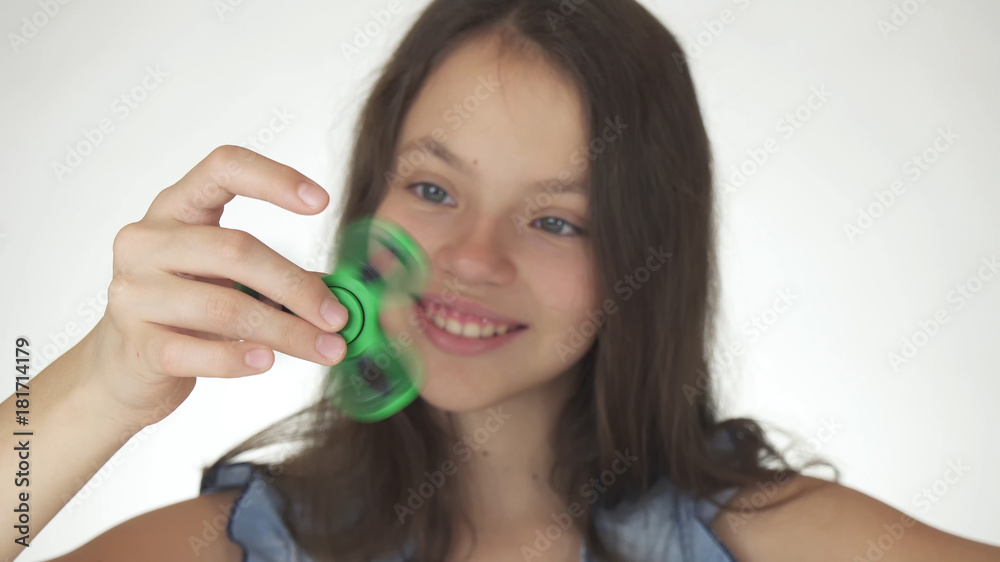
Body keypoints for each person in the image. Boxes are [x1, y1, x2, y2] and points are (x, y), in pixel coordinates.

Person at [3, 0, 999, 560]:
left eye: (556, 218)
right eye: (433, 187)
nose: (472, 258)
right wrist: (99, 385)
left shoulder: (769, 541)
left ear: (643, 264)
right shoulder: (226, 550)